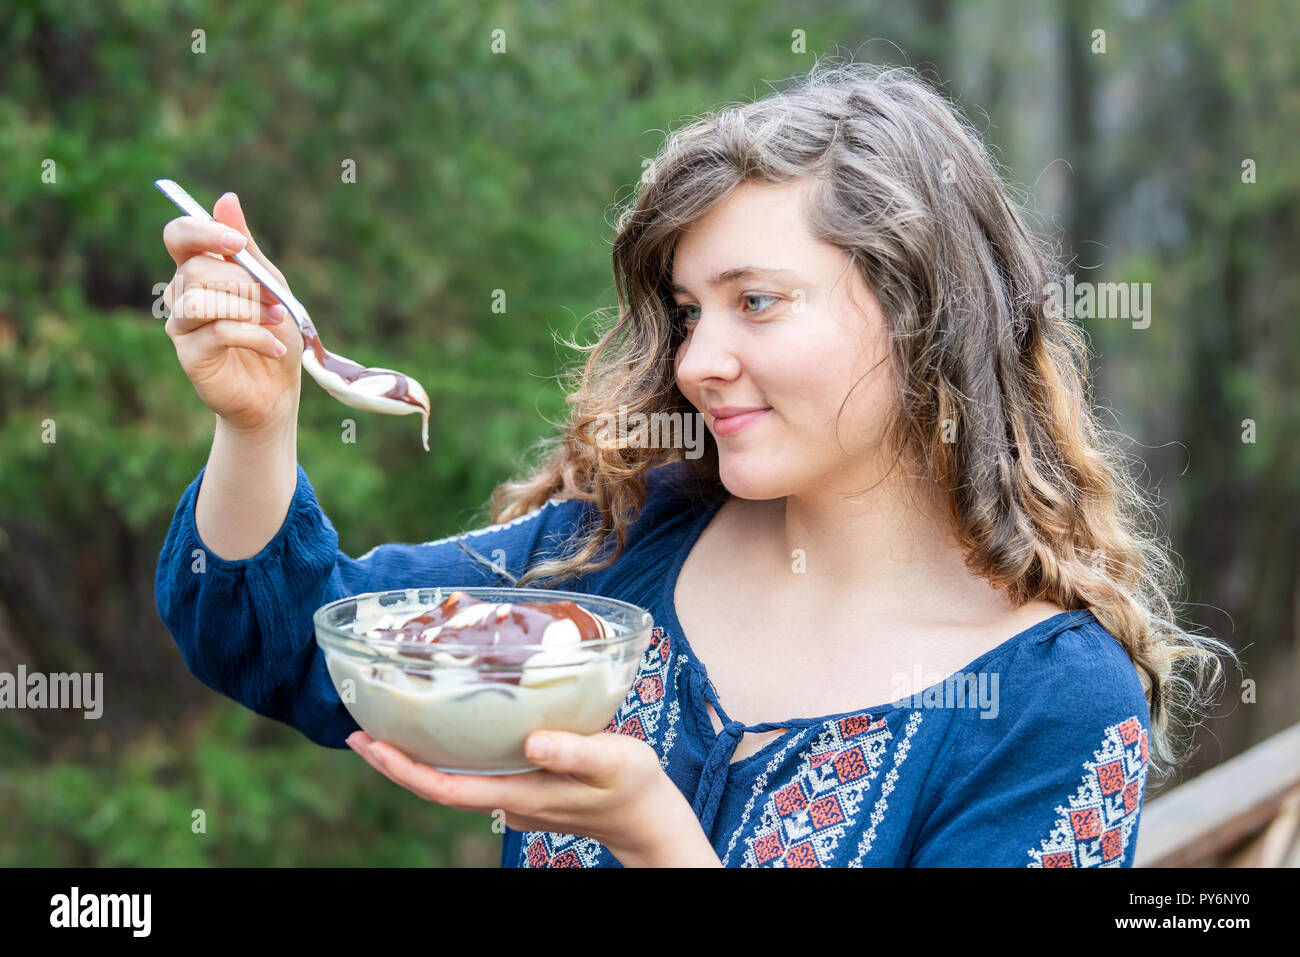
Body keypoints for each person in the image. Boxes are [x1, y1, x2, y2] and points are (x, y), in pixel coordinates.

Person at [155, 60, 1232, 867]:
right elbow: (284, 635)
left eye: (756, 302)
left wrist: (656, 842)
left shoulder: (1050, 705)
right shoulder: (621, 544)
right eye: (685, 312)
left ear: (922, 316)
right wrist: (258, 423)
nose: (700, 361)